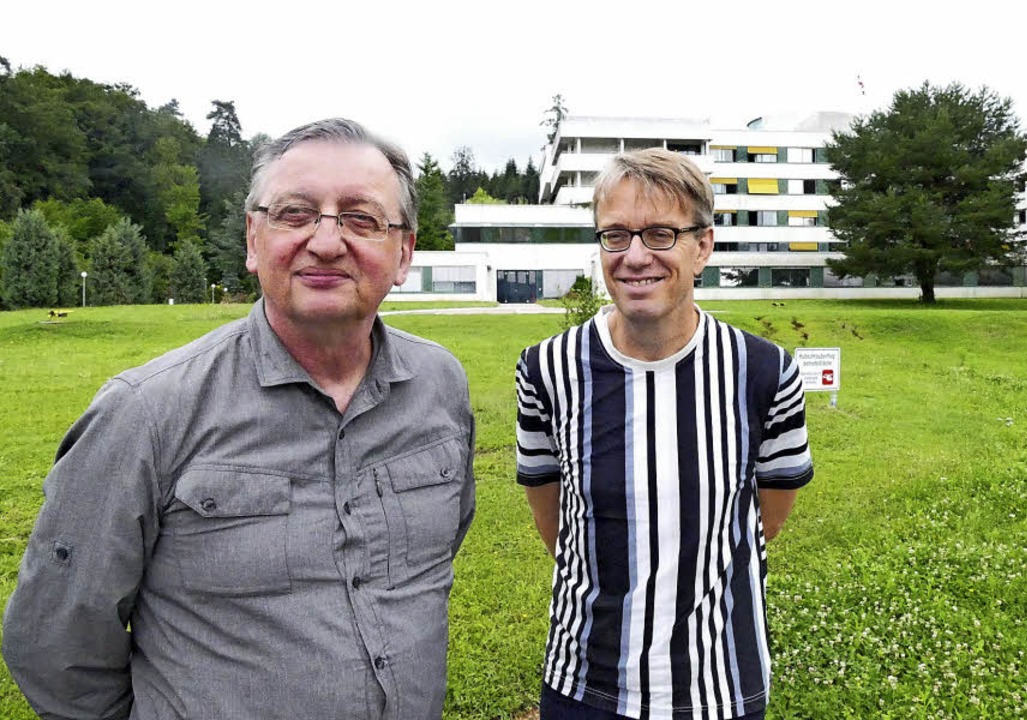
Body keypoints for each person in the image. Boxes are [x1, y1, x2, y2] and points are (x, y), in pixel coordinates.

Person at [2, 118, 476, 720]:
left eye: (361, 218)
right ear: (254, 239)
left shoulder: (440, 387)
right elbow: (53, 641)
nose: (327, 243)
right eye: (295, 214)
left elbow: (436, 557)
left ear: (404, 251)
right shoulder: (146, 413)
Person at [515, 148, 813, 720]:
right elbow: (551, 520)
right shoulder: (546, 370)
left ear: (703, 246)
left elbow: (768, 514)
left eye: (659, 234)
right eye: (615, 235)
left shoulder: (766, 372)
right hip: (583, 683)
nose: (633, 257)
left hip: (718, 682)